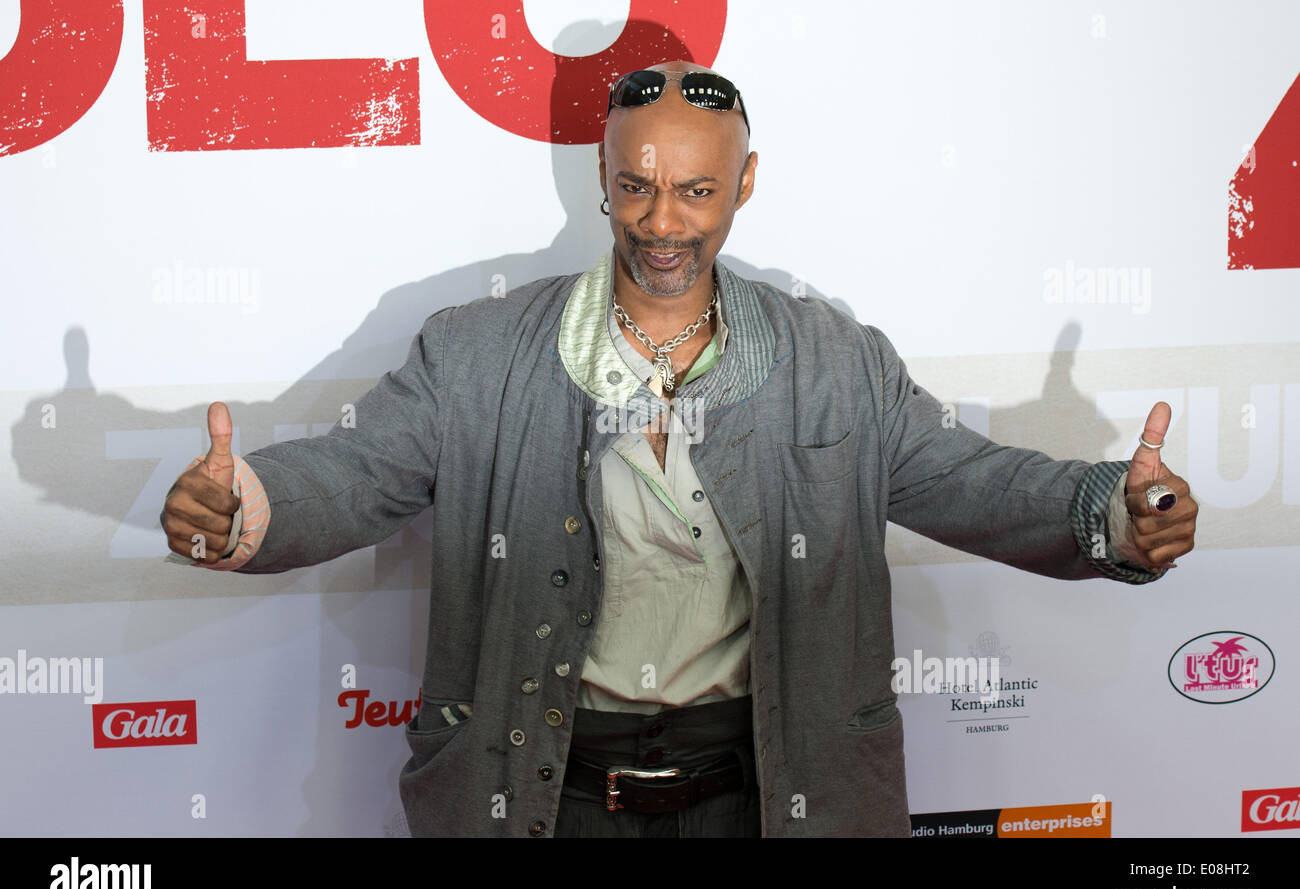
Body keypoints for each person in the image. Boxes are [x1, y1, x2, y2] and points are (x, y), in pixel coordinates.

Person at [160, 61, 1198, 837]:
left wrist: (1111, 510)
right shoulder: (474, 352)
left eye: (696, 193)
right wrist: (247, 503)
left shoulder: (834, 356)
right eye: (635, 189)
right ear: (600, 181)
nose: (662, 223)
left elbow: (969, 480)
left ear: (744, 184)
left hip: (766, 794)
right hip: (540, 791)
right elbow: (353, 472)